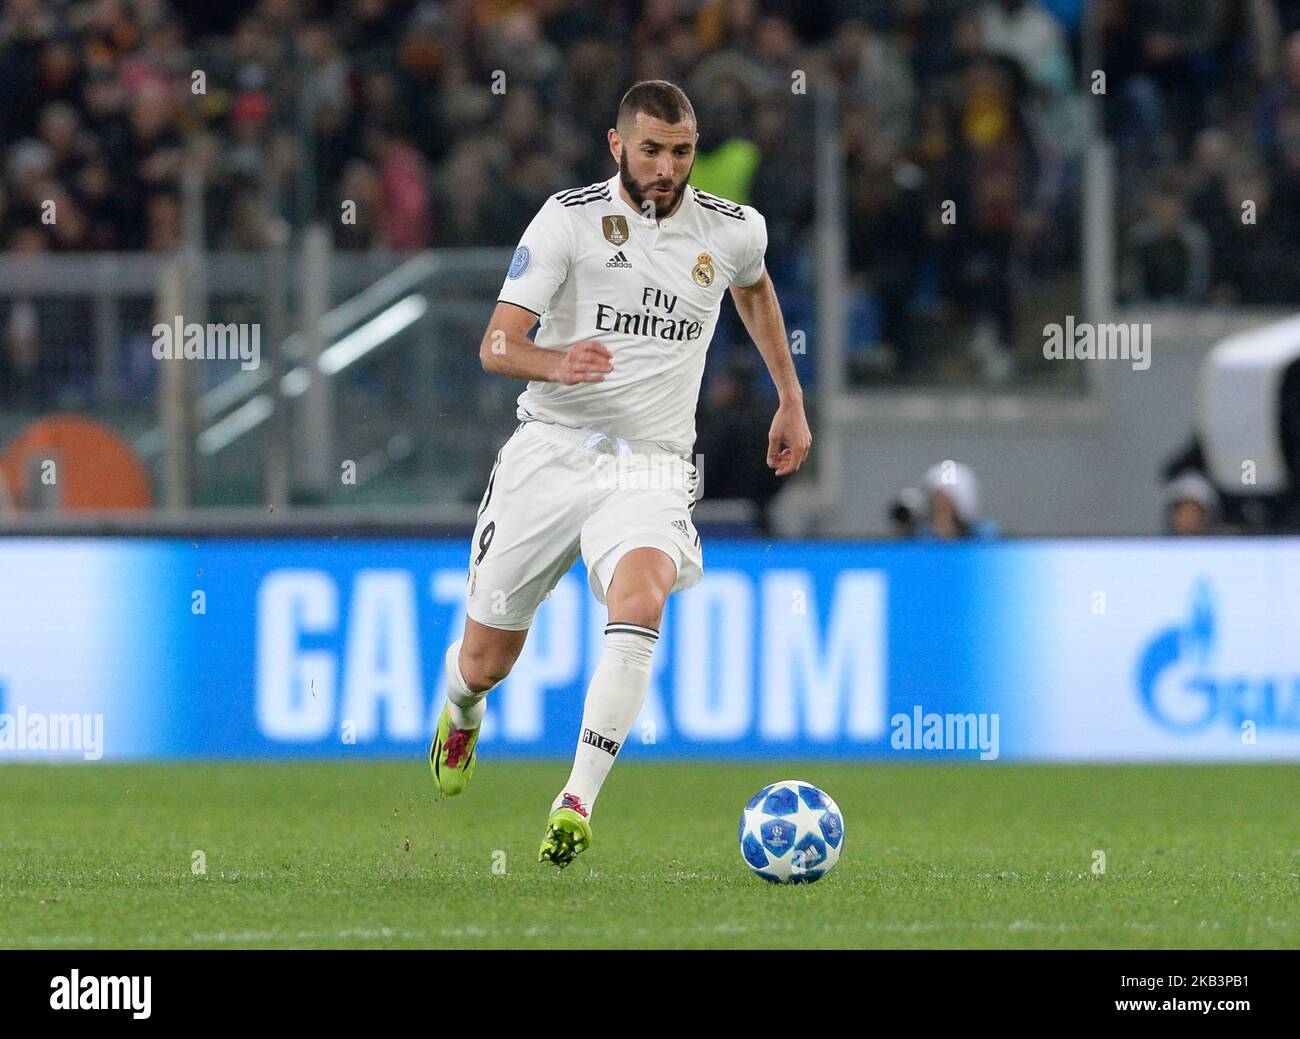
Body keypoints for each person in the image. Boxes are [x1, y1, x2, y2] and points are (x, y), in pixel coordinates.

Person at [428, 80, 812, 868]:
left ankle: (575, 800)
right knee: (485, 660)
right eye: (651, 150)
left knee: (642, 595)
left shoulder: (733, 230)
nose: (667, 167)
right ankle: (461, 711)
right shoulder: (568, 220)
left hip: (653, 465)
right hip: (551, 452)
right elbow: (497, 346)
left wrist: (790, 395)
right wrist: (557, 362)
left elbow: (756, 288)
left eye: (681, 151)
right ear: (617, 146)